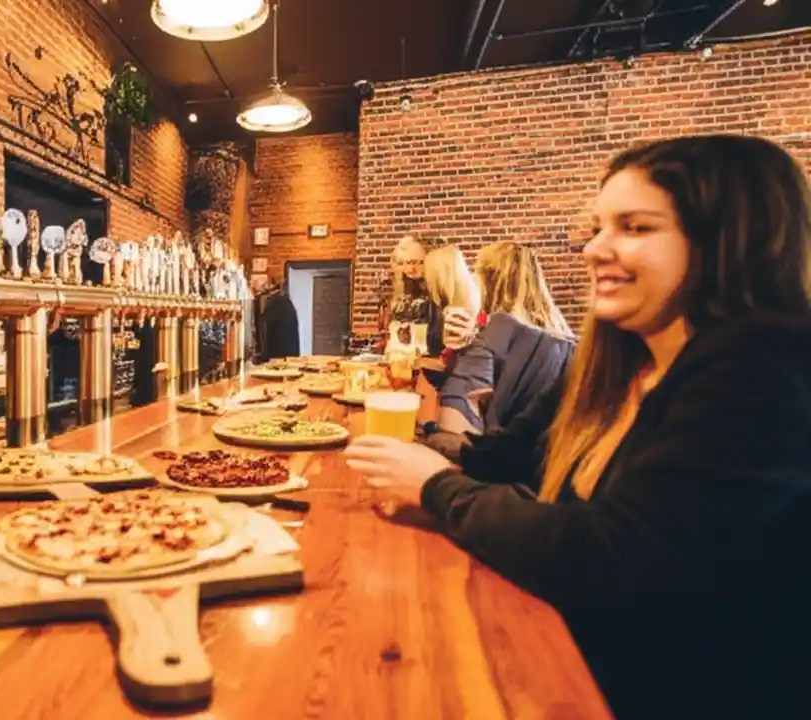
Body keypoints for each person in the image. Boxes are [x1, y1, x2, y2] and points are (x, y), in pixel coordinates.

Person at [345, 135, 811, 719]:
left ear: (727, 240)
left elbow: (609, 558)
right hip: (576, 657)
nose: (594, 249)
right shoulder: (622, 363)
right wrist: (414, 449)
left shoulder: (763, 374)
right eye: (598, 227)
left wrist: (438, 488)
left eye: (634, 228)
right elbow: (507, 457)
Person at [432, 242, 573, 436]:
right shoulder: (561, 333)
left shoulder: (498, 331)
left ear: (487, 280)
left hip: (496, 456)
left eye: (476, 273)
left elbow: (455, 419)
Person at [377, 236, 442, 355]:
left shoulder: (437, 295)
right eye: (406, 263)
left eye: (418, 263)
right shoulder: (399, 292)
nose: (411, 269)